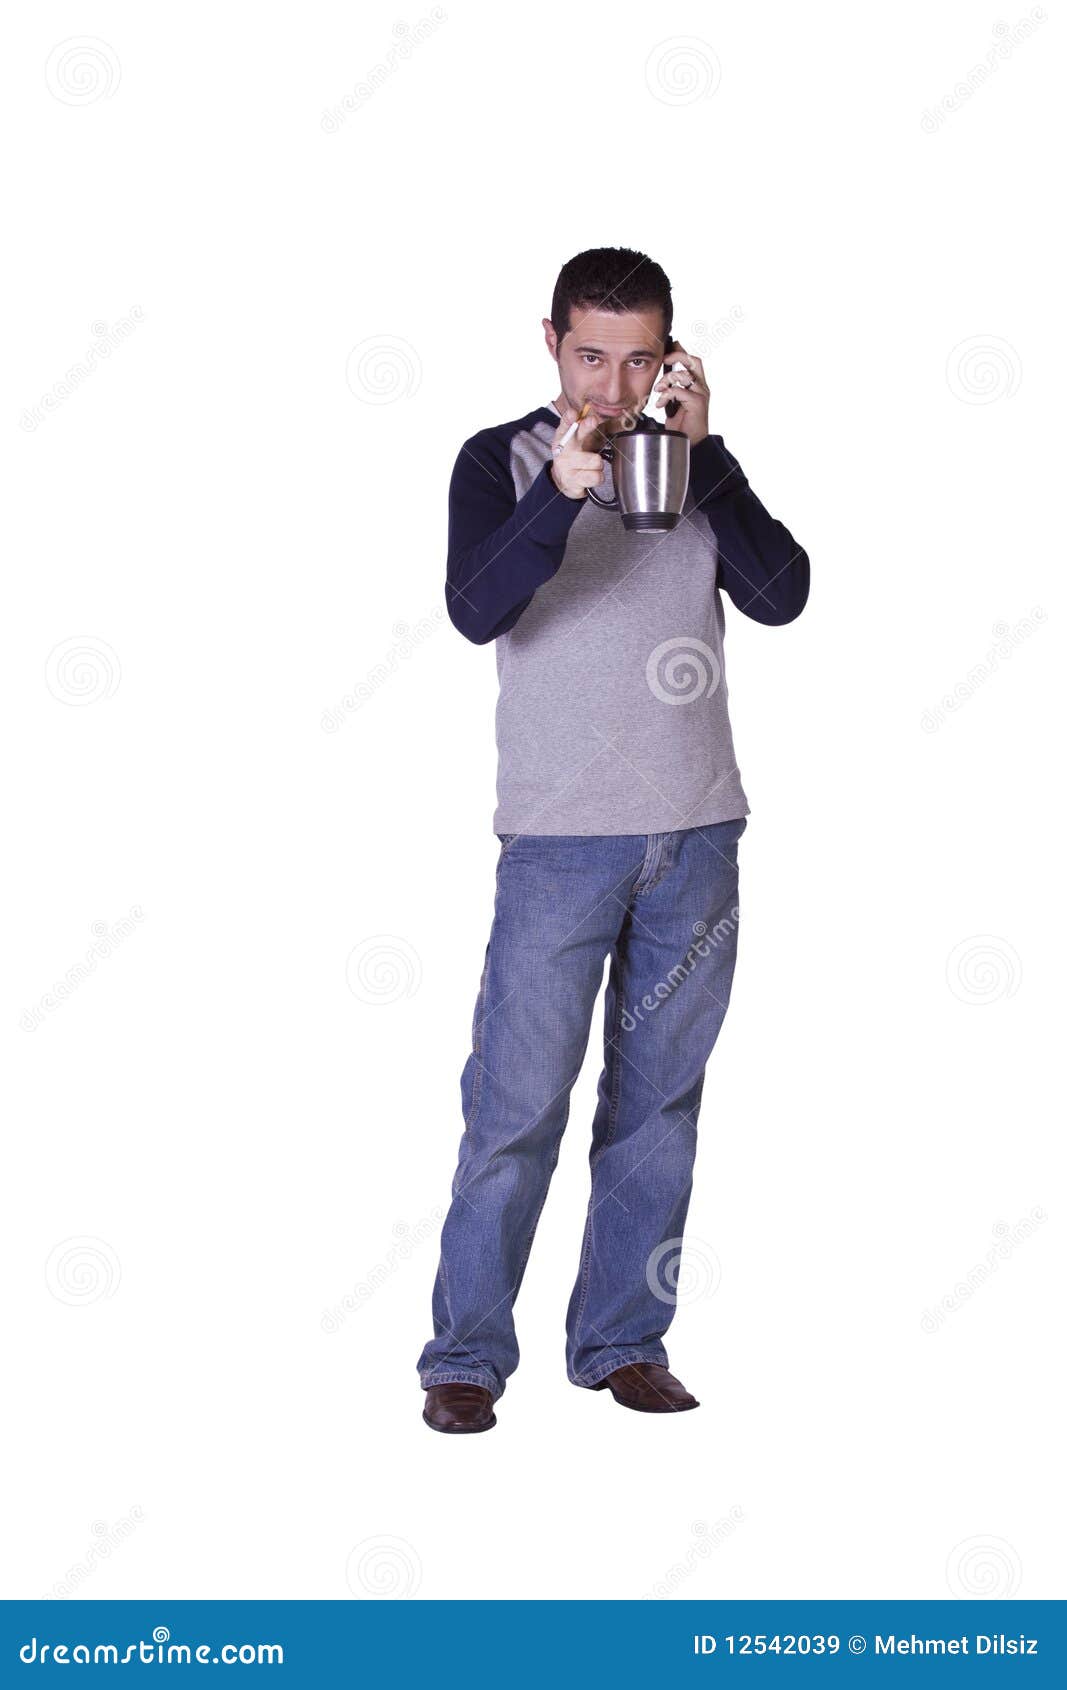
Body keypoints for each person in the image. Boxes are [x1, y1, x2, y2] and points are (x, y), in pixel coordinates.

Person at [417, 246, 810, 1433]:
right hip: (558, 839)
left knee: (658, 1108)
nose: (611, 381)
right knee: (517, 1105)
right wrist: (561, 490)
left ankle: (624, 1341)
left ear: (669, 354)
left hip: (695, 832)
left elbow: (782, 593)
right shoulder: (502, 459)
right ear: (552, 343)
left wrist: (702, 458)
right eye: (591, 354)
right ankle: (466, 1357)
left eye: (638, 356)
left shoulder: (695, 465)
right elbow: (475, 606)